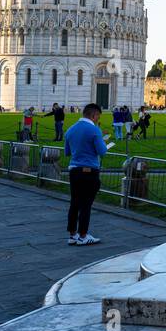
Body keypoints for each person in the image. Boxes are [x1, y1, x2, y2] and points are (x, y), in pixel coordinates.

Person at [63, 103, 109, 245]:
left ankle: (72, 235)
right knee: (86, 204)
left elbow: (67, 152)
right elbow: (102, 151)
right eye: (98, 117)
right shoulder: (94, 130)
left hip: (74, 170)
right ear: (94, 115)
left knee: (74, 203)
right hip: (89, 171)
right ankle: (83, 235)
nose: (97, 119)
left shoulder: (70, 130)